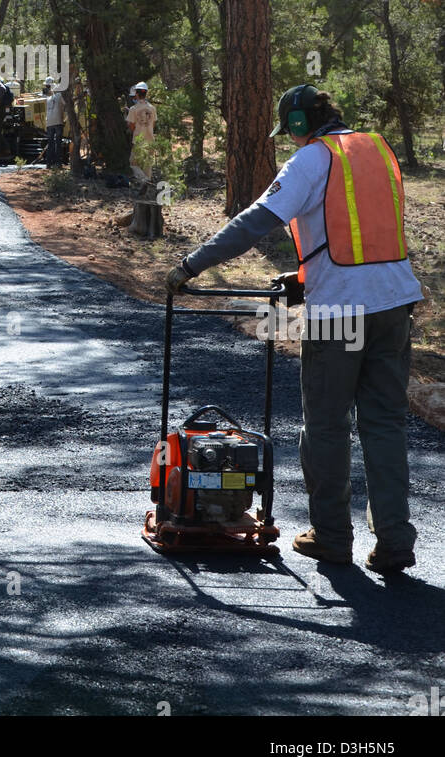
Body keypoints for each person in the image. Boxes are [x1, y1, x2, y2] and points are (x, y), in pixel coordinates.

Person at [165, 83, 423, 574]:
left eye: (291, 131)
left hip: (338, 316)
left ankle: (331, 537)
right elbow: (360, 234)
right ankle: (395, 542)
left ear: (300, 125)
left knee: (326, 427)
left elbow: (255, 221)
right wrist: (304, 275)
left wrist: (192, 264)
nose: (291, 140)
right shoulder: (377, 149)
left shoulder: (311, 159)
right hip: (395, 303)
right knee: (384, 426)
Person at [126, 80, 156, 166]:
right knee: (147, 167)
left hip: (138, 142)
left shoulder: (133, 109)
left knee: (134, 165)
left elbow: (131, 126)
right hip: (150, 141)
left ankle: (140, 179)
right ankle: (147, 179)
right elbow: (153, 124)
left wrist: (137, 130)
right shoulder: (152, 108)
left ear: (136, 93)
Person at [43, 76, 65, 166]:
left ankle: (49, 163)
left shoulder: (46, 98)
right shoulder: (60, 96)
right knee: (58, 143)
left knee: (50, 143)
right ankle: (58, 163)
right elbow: (67, 105)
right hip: (58, 121)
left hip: (49, 123)